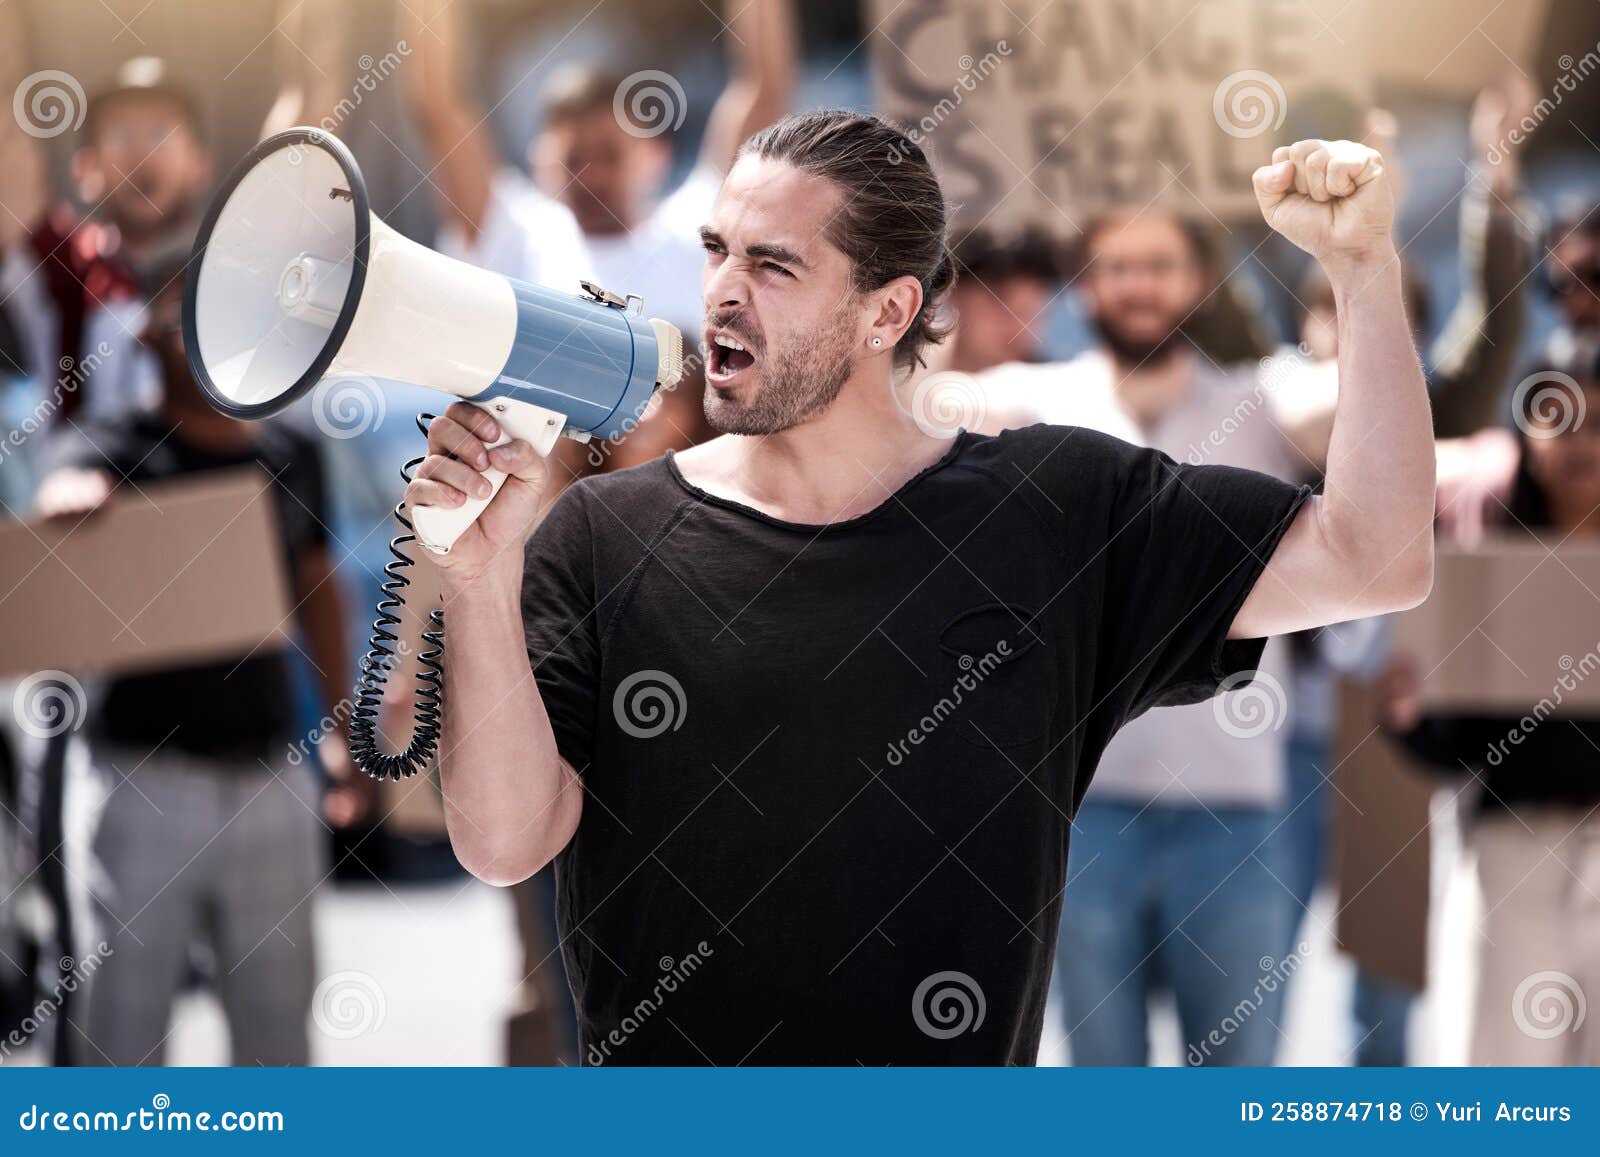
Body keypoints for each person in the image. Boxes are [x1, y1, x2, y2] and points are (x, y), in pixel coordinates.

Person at [398, 111, 1432, 1065]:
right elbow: (502, 843)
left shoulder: (1053, 512)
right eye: (716, 250)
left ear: (887, 311)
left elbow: (1377, 558)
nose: (721, 290)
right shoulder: (599, 534)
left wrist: (1363, 269)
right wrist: (477, 578)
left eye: (772, 263)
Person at [972, 209, 1319, 1065]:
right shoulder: (1032, 402)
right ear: (1083, 285)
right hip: (1082, 816)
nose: (1138, 285)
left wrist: (1355, 256)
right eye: (1116, 266)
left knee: (1236, 1090)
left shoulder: (1263, 398)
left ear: (1200, 281)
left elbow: (1370, 402)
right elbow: (907, 412)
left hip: (1235, 819)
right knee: (1104, 1089)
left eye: (1160, 264)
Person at [34, 269, 364, 1066]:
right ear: (148, 333)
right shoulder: (112, 448)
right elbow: (59, 494)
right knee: (118, 1041)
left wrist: (342, 733)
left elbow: (319, 591)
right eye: (181, 311)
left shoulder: (291, 451)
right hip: (142, 783)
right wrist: (69, 500)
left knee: (279, 1041)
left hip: (270, 779)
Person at [403, 0, 795, 480]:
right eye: (574, 159)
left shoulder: (702, 227)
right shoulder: (514, 235)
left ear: (654, 155)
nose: (591, 175)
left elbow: (764, 87)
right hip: (554, 501)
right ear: (541, 161)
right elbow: (438, 107)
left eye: (608, 154)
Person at [1378, 341, 1600, 1066]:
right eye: (1560, 418)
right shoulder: (1481, 553)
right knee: (1508, 1076)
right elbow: (1453, 741)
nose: (1581, 442)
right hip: (1515, 848)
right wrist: (1409, 716)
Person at [0, 51, 212, 428]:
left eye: (160, 133)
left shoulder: (231, 272)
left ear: (199, 165)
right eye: (119, 134)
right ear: (85, 170)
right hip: (82, 464)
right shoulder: (61, 265)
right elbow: (10, 167)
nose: (141, 153)